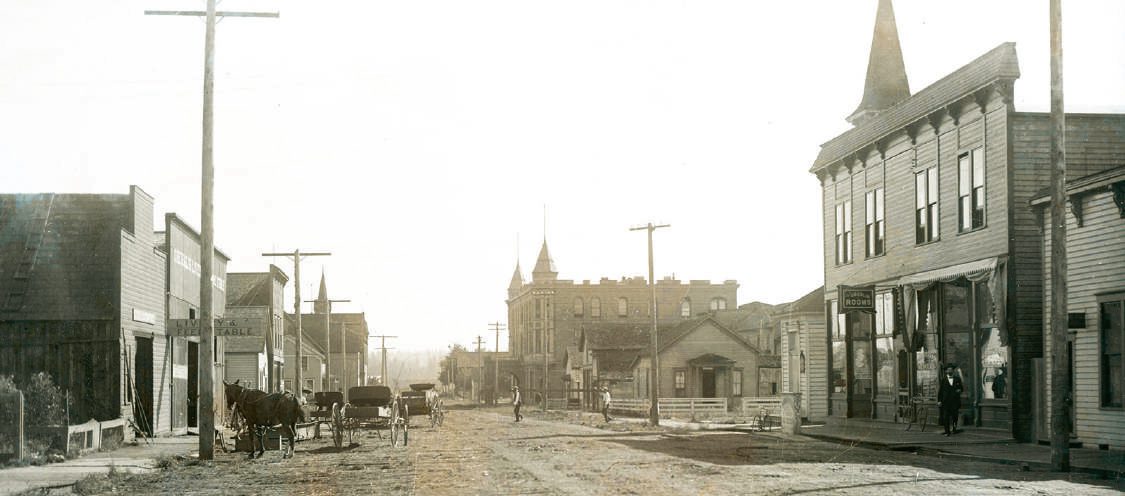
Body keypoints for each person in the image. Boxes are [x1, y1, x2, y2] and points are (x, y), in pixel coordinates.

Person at [937, 364, 964, 436]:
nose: (950, 371)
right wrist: (939, 400)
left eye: (951, 369)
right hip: (945, 401)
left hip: (955, 401)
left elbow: (961, 388)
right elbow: (940, 391)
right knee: (946, 416)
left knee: (955, 416)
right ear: (946, 371)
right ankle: (947, 431)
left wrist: (959, 390)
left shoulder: (957, 379)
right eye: (948, 369)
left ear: (953, 371)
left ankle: (954, 429)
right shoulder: (943, 380)